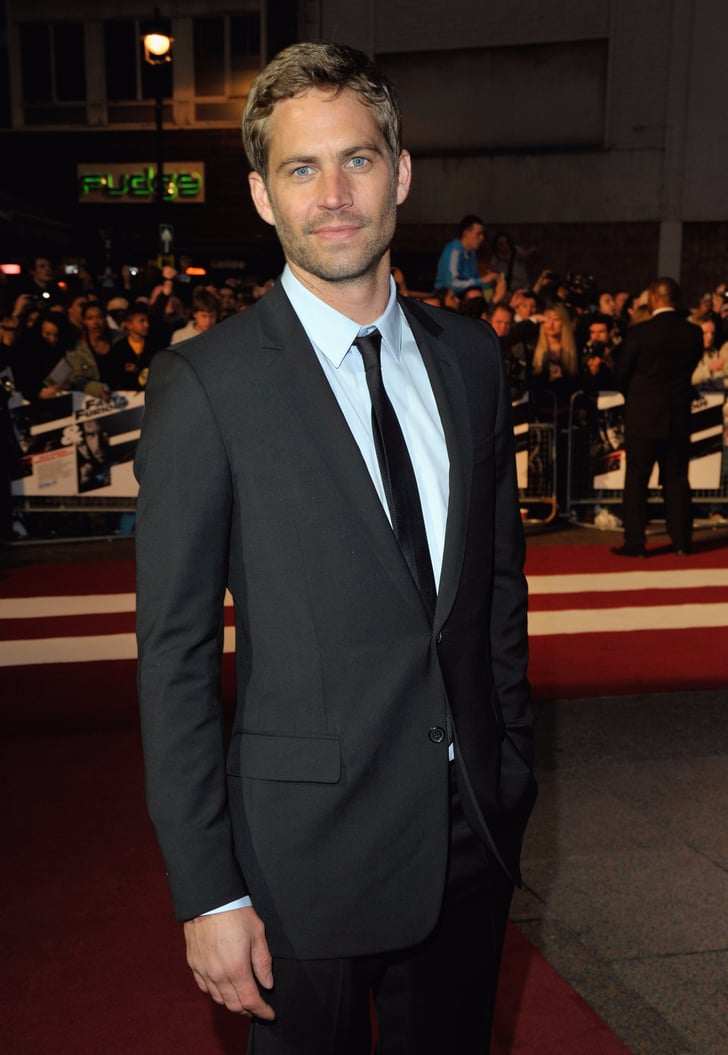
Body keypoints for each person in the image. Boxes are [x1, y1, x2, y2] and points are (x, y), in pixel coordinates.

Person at [135, 41, 535, 1055]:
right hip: (295, 862)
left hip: (468, 834)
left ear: (399, 173)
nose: (333, 196)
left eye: (356, 159)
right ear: (262, 195)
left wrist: (509, 767)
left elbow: (497, 584)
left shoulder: (471, 359)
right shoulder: (208, 384)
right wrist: (207, 887)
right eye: (300, 168)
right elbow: (175, 655)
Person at [612, 277, 703, 557]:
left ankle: (635, 542)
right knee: (677, 480)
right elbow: (690, 368)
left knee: (637, 481)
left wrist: (635, 396)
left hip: (643, 416)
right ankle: (682, 541)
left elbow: (622, 372)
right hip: (677, 416)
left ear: (653, 297)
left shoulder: (640, 333)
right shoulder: (693, 333)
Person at [433, 214, 496, 297]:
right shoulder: (453, 251)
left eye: (483, 234)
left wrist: (489, 282)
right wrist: (482, 281)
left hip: (464, 295)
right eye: (478, 234)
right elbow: (452, 284)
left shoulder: (472, 253)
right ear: (466, 233)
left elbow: (474, 280)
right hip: (446, 297)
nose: (482, 238)